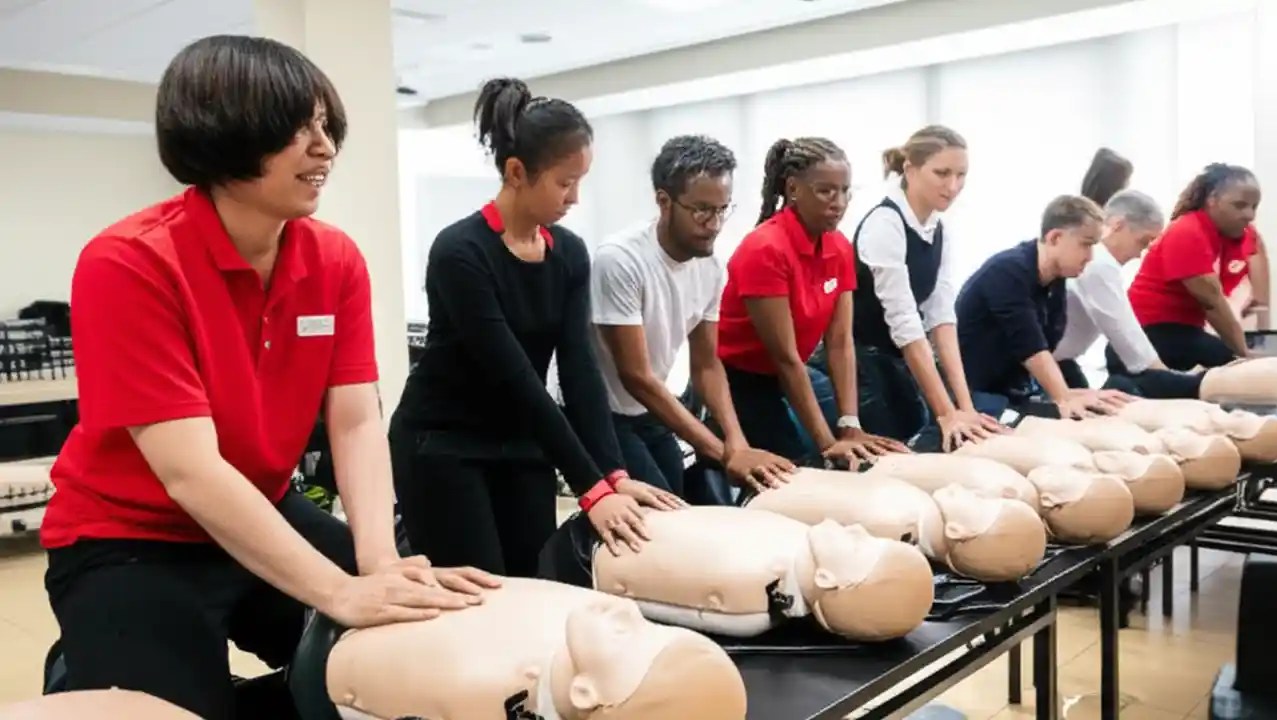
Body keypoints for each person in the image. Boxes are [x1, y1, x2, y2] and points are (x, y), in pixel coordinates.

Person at [38, 36, 497, 720]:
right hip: (129, 538)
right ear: (222, 135)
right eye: (298, 128)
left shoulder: (334, 259)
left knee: (407, 663)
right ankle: (87, 667)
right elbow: (190, 473)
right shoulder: (127, 263)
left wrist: (375, 560)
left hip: (264, 503)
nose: (324, 149)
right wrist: (337, 593)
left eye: (325, 126)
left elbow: (356, 417)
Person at [388, 78, 683, 578]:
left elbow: (579, 367)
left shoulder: (568, 253)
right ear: (517, 172)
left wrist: (612, 474)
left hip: (520, 442)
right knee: (481, 589)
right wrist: (589, 489)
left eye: (580, 182)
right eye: (564, 183)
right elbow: (517, 377)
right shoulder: (460, 252)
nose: (574, 198)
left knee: (531, 582)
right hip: (443, 443)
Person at [590, 135, 796, 496]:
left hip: (646, 409)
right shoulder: (620, 259)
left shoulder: (711, 267)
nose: (714, 223)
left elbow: (706, 365)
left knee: (682, 494)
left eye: (722, 209)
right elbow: (636, 375)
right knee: (660, 508)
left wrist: (737, 443)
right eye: (701, 210)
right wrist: (719, 451)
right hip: (599, 412)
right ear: (664, 201)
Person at [716, 136, 907, 465]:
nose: (839, 202)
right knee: (799, 465)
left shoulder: (839, 247)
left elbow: (839, 342)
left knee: (864, 442)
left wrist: (849, 426)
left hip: (793, 371)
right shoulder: (765, 249)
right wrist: (826, 445)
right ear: (793, 189)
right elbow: (785, 357)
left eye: (845, 190)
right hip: (737, 380)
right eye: (825, 191)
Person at [815, 125, 1002, 450]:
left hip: (897, 356)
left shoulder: (938, 228)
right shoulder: (885, 224)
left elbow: (941, 318)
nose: (953, 185)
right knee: (908, 441)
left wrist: (964, 407)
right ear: (910, 169)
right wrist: (946, 414)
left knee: (967, 427)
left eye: (961, 175)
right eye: (942, 173)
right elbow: (905, 325)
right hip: (860, 361)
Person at [955, 195, 1129, 419]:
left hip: (1016, 390)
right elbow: (1030, 347)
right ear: (1055, 237)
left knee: (1105, 405)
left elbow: (1046, 349)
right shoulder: (1007, 271)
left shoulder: (1054, 279)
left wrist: (1076, 393)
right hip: (977, 395)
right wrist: (1064, 397)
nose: (1090, 257)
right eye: (1085, 244)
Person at [1053, 190, 1205, 398]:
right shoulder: (1098, 264)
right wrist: (1173, 379)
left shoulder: (1099, 263)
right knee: (1118, 394)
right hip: (1040, 365)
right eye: (1142, 242)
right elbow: (1127, 337)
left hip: (1060, 362)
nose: (1138, 254)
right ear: (1117, 225)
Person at [1127, 163, 1268, 369]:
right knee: (1234, 366)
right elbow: (1212, 303)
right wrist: (1243, 353)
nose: (1249, 215)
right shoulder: (1187, 231)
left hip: (1186, 329)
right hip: (1151, 329)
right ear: (1212, 200)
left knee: (1233, 361)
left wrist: (1259, 307)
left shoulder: (1239, 234)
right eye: (1239, 205)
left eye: (1254, 207)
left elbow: (1256, 257)